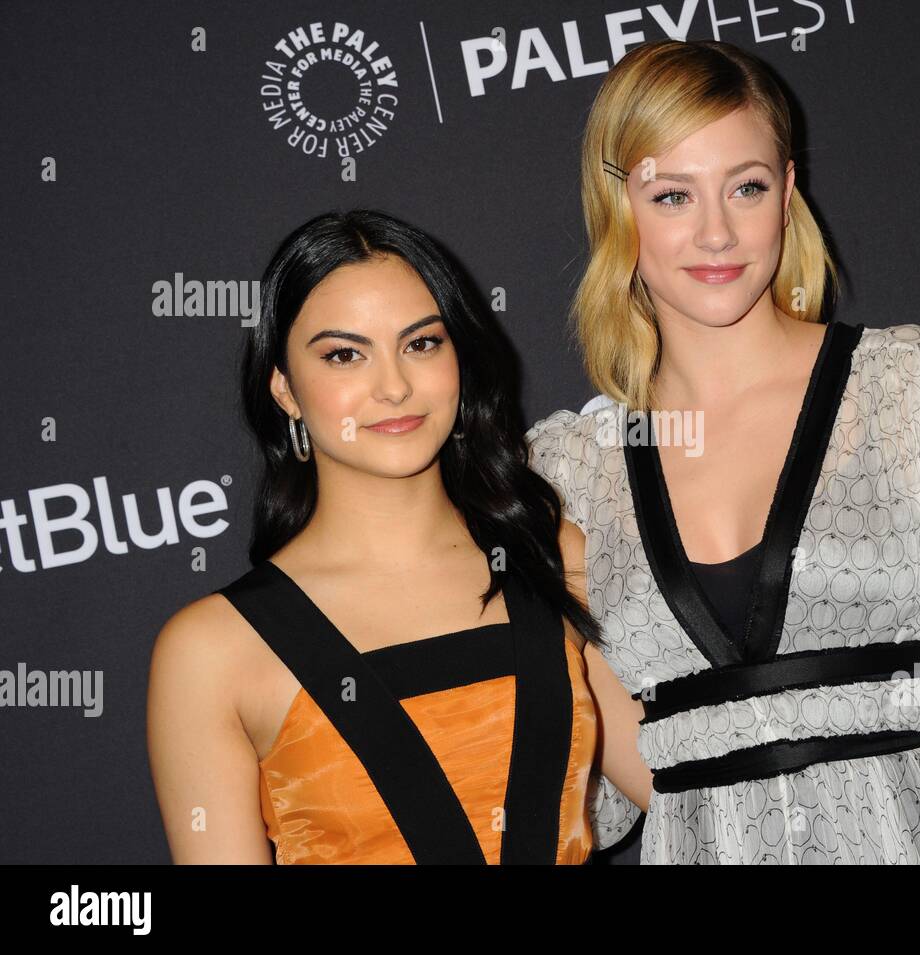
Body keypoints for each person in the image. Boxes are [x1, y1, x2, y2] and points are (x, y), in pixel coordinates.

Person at [525, 39, 920, 863]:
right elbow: (620, 767)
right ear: (617, 205)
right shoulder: (570, 471)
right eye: (673, 196)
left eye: (747, 187)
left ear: (789, 191)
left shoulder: (914, 385)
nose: (717, 232)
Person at [147, 209, 626, 864]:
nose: (395, 386)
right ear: (284, 388)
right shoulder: (212, 649)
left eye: (422, 343)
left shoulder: (555, 558)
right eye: (345, 354)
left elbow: (694, 785)